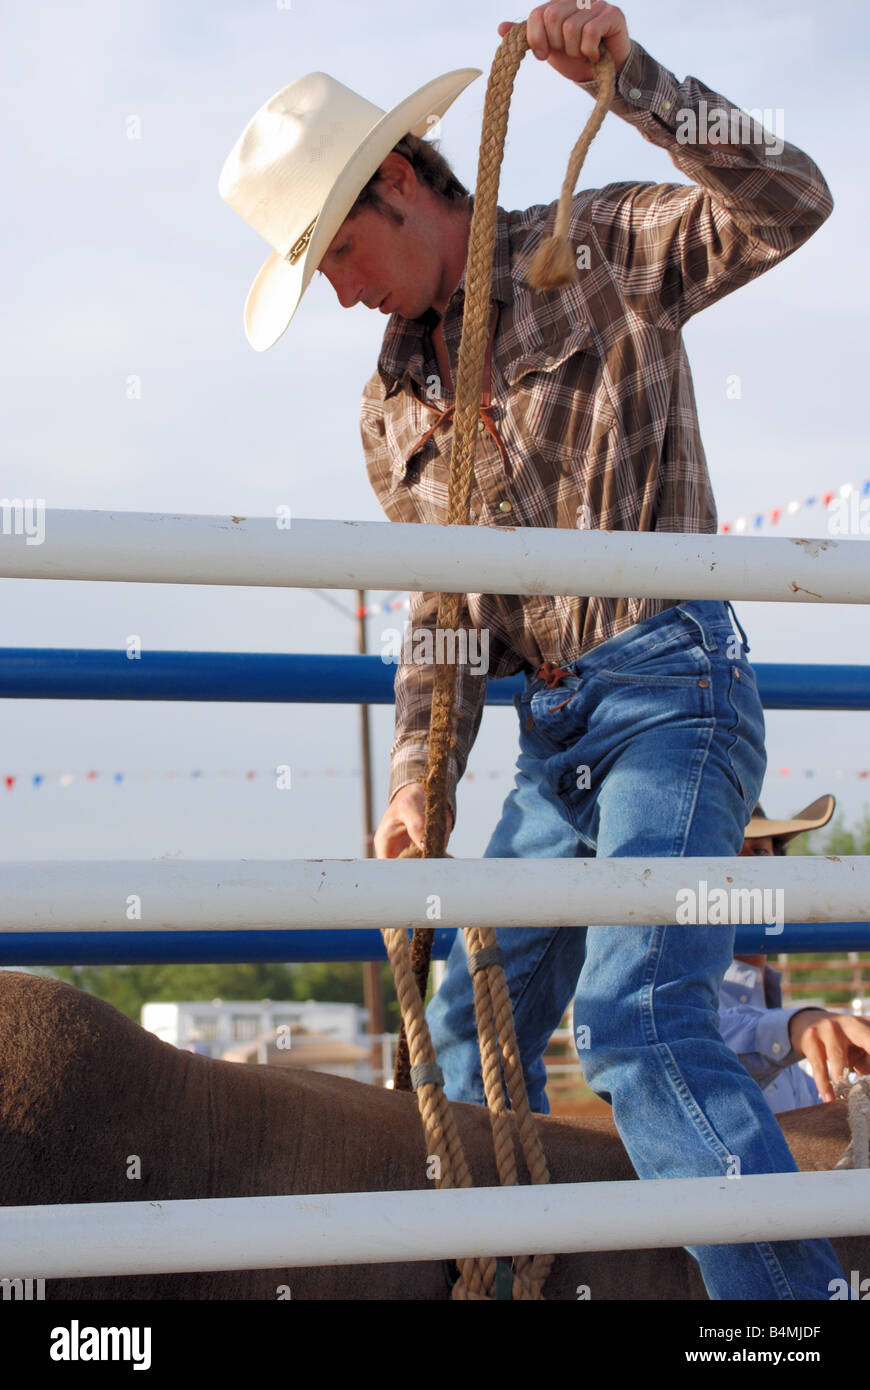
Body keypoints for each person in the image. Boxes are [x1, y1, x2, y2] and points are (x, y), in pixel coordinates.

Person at [219, 2, 841, 1301]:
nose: (333, 293)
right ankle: (495, 1283)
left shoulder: (597, 246)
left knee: (636, 1020)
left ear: (396, 185)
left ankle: (792, 1316)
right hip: (553, 739)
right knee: (460, 1021)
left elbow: (793, 195)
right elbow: (442, 614)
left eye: (327, 256)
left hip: (672, 689)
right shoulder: (394, 404)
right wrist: (414, 779)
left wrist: (638, 82)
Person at [724, 796, 870, 1113]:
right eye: (727, 855)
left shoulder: (781, 1031)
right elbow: (691, 1045)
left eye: (760, 851)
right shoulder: (680, 1000)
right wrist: (794, 1027)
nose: (750, 869)